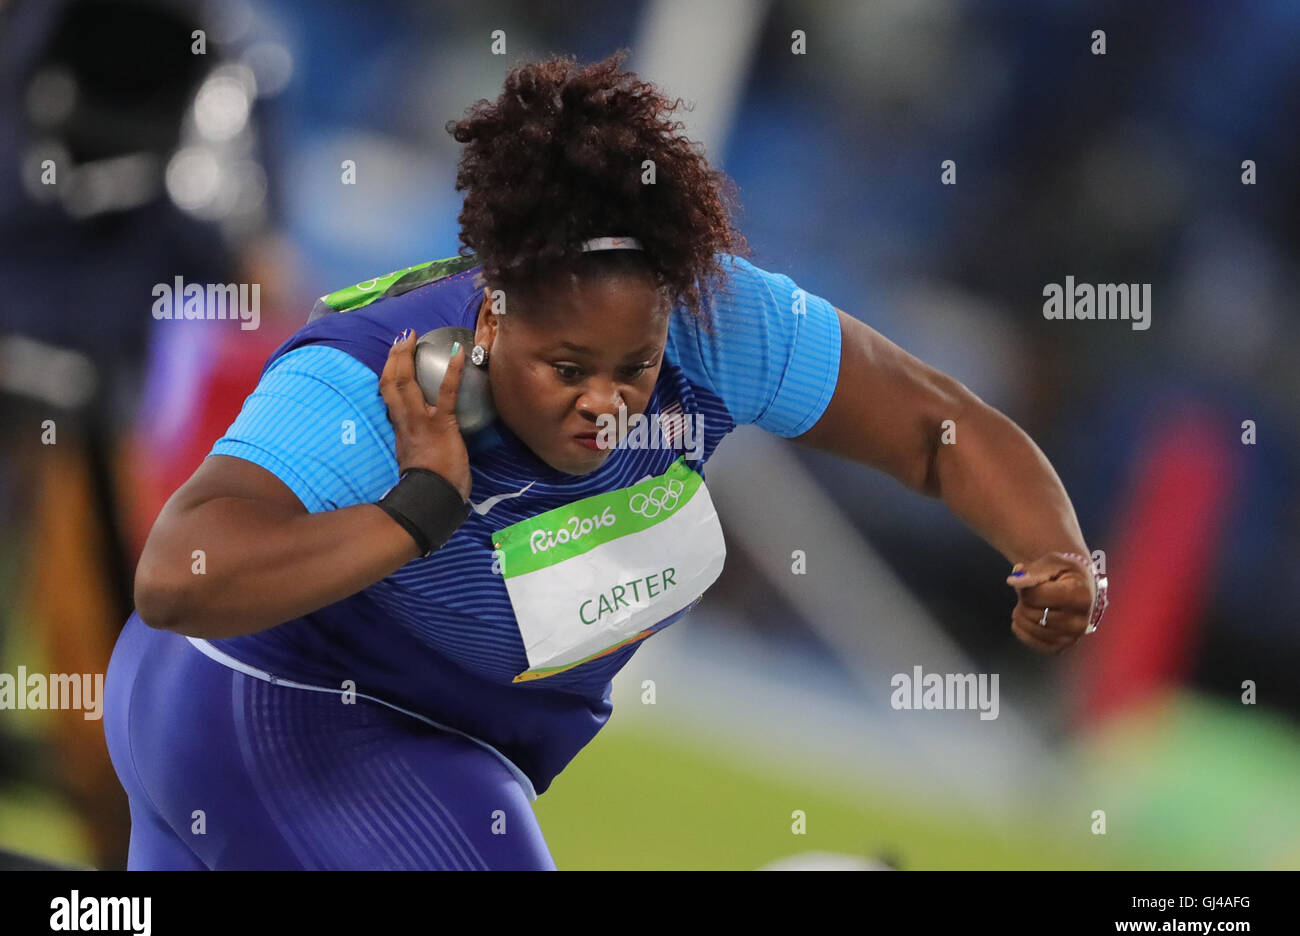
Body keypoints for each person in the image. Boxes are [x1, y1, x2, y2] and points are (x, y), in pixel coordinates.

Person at [103, 52, 1105, 870]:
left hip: (454, 743)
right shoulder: (380, 380)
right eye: (566, 367)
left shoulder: (722, 319)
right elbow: (176, 578)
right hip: (268, 699)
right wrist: (413, 511)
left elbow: (936, 428)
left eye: (635, 366)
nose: (606, 404)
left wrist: (1052, 550)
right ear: (493, 311)